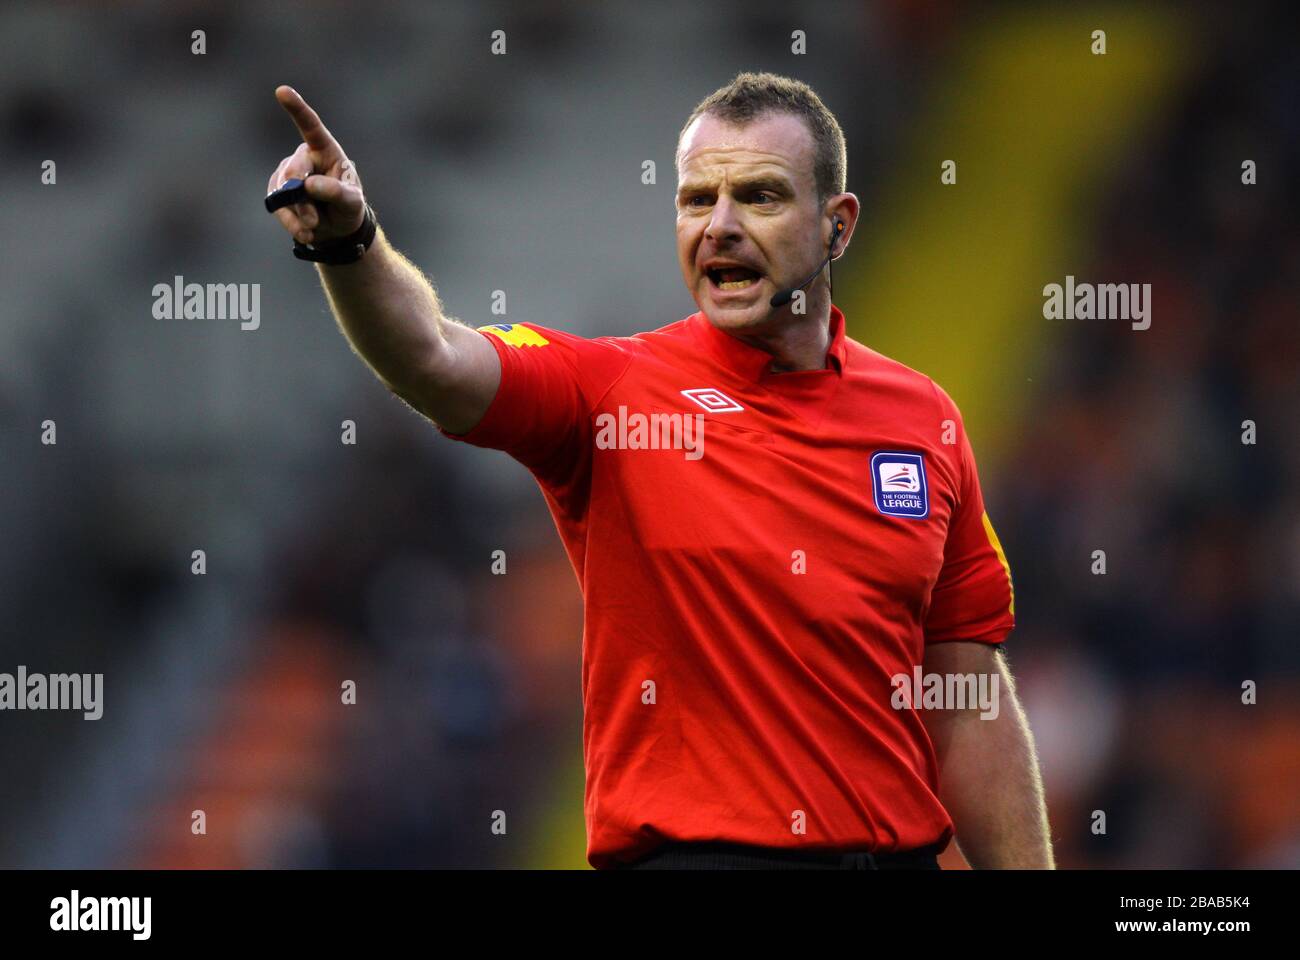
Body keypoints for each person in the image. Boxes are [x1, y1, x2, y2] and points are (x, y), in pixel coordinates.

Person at [265, 71, 1054, 870]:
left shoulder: (924, 419)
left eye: (760, 196)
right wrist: (349, 240)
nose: (720, 227)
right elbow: (431, 356)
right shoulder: (610, 391)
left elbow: (969, 703)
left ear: (837, 226)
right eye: (695, 200)